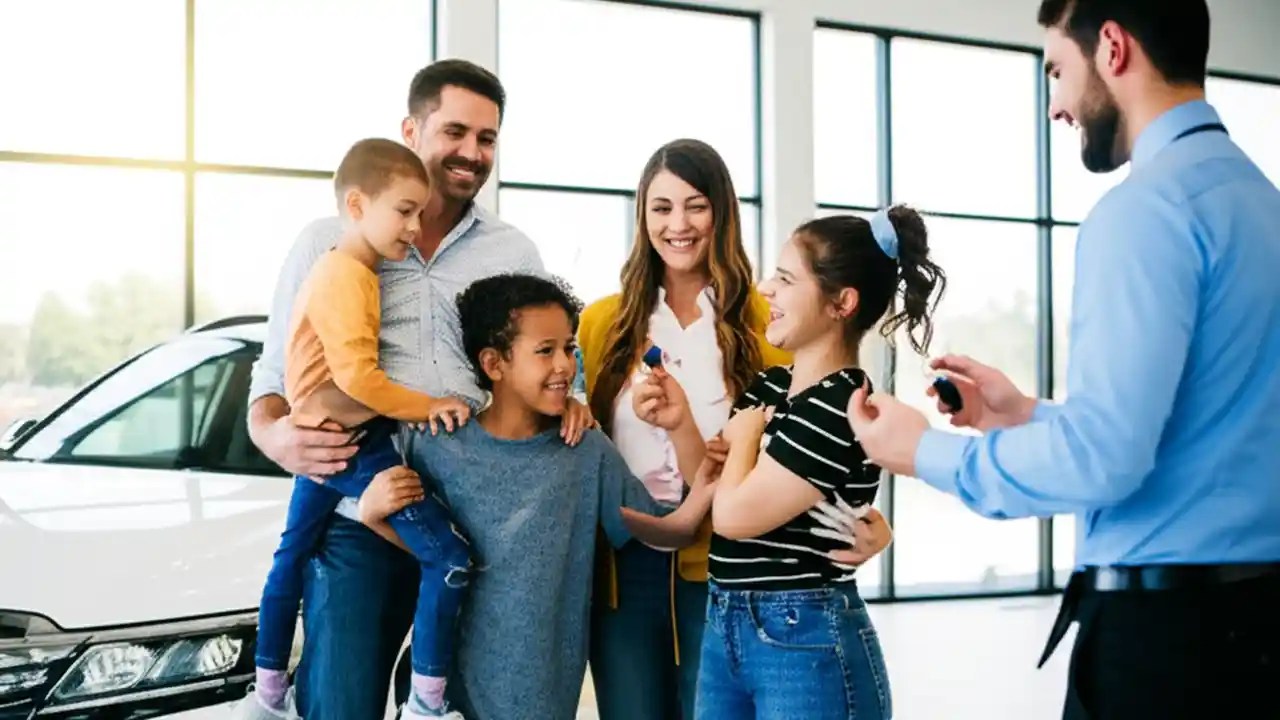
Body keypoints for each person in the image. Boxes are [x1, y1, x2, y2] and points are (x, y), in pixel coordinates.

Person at [846, 1, 1280, 718]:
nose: (1055, 106)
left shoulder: (1144, 211)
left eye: (1056, 70)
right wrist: (1025, 415)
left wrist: (923, 452)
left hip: (1167, 654)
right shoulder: (1262, 206)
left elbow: (1105, 458)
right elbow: (1216, 431)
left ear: (1112, 47)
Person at [245, 59, 594, 719]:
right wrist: (275, 435)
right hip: (357, 521)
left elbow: (540, 361)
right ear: (412, 129)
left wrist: (566, 394)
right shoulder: (328, 246)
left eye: (487, 138)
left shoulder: (511, 250)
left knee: (471, 704)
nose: (471, 152)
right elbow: (272, 379)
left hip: (476, 516)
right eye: (455, 131)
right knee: (340, 704)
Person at [578, 138, 895, 720]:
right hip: (624, 571)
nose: (678, 224)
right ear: (642, 215)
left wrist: (875, 525)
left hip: (729, 572)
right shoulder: (600, 323)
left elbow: (828, 433)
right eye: (661, 207)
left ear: (722, 212)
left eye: (695, 205)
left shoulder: (768, 319)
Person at [356, 273, 715, 720]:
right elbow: (435, 552)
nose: (564, 364)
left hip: (543, 702)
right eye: (545, 351)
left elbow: (667, 534)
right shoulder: (437, 444)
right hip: (440, 699)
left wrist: (703, 459)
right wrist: (371, 516)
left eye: (569, 348)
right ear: (493, 364)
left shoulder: (585, 452)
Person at [235, 138, 478, 720]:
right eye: (403, 211)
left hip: (330, 436)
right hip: (350, 444)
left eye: (420, 213)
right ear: (356, 205)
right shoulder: (348, 275)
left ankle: (268, 694)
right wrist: (430, 405)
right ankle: (426, 703)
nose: (415, 227)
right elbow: (359, 377)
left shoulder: (352, 270)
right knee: (450, 559)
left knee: (289, 556)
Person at [696, 208, 946, 720]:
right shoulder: (771, 385)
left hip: (802, 631)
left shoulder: (843, 404)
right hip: (726, 622)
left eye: (786, 279)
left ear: (841, 303)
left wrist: (744, 439)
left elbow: (734, 515)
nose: (766, 288)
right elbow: (715, 482)